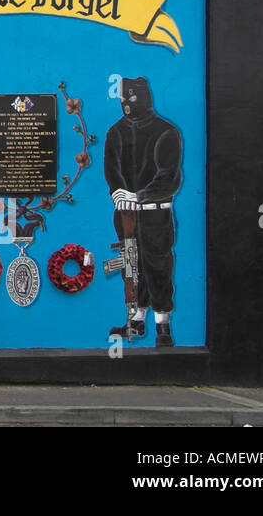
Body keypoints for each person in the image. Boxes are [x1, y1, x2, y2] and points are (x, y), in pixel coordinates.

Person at [104, 77, 182, 347]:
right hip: (126, 213)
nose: (126, 104)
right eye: (123, 99)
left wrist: (138, 196)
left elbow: (169, 177)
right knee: (132, 266)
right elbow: (111, 169)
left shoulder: (166, 132)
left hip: (154, 213)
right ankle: (136, 320)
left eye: (132, 98)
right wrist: (117, 192)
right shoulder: (116, 132)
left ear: (144, 97)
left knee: (158, 266)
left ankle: (163, 326)